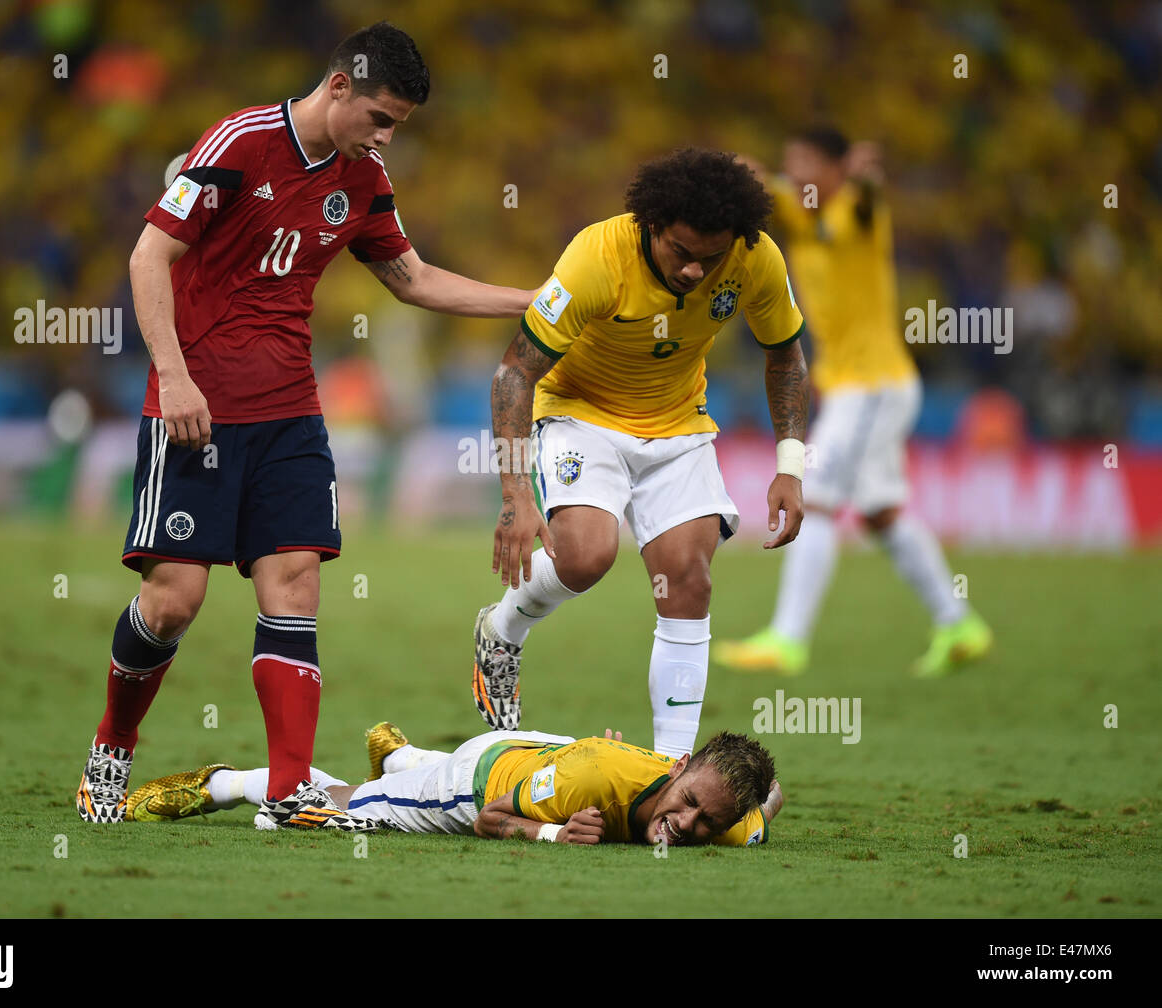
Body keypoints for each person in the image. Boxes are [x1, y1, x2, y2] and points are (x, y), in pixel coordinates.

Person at [76, 23, 537, 829]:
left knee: (293, 585)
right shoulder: (240, 142)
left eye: (399, 125)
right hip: (198, 410)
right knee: (174, 601)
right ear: (338, 88)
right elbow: (150, 256)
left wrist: (532, 302)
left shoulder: (364, 178)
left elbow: (413, 278)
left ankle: (288, 792)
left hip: (290, 414)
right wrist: (176, 376)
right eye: (382, 118)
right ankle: (113, 744)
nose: (387, 137)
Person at [472, 148, 810, 759]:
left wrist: (790, 465)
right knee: (584, 557)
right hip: (581, 411)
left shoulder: (755, 258)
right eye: (681, 253)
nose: (694, 272)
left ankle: (670, 767)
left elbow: (785, 353)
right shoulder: (596, 257)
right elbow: (513, 374)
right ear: (651, 226)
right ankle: (503, 628)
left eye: (710, 259)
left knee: (688, 580)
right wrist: (516, 495)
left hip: (678, 423)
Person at [715, 128, 992, 678]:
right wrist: (736, 172)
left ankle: (787, 641)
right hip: (860, 387)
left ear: (837, 169)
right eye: (789, 159)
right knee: (882, 515)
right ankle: (958, 623)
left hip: (872, 385)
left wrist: (864, 180)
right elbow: (759, 186)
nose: (794, 169)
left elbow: (866, 200)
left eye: (806, 161)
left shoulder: (858, 209)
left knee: (813, 498)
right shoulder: (800, 209)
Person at [125, 722, 785, 847]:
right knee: (339, 813)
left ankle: (403, 757)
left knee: (413, 774)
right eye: (689, 803)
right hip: (481, 782)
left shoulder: (728, 815)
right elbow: (490, 820)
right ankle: (231, 784)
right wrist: (554, 832)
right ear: (678, 770)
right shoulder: (592, 781)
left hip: (545, 752)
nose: (688, 825)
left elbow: (770, 803)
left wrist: (759, 794)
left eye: (708, 823)